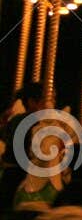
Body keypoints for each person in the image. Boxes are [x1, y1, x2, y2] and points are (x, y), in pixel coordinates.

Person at [0, 82, 47, 211]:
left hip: (12, 171)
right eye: (44, 100)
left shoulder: (17, 119)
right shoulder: (31, 121)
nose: (47, 105)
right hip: (20, 173)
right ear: (32, 102)